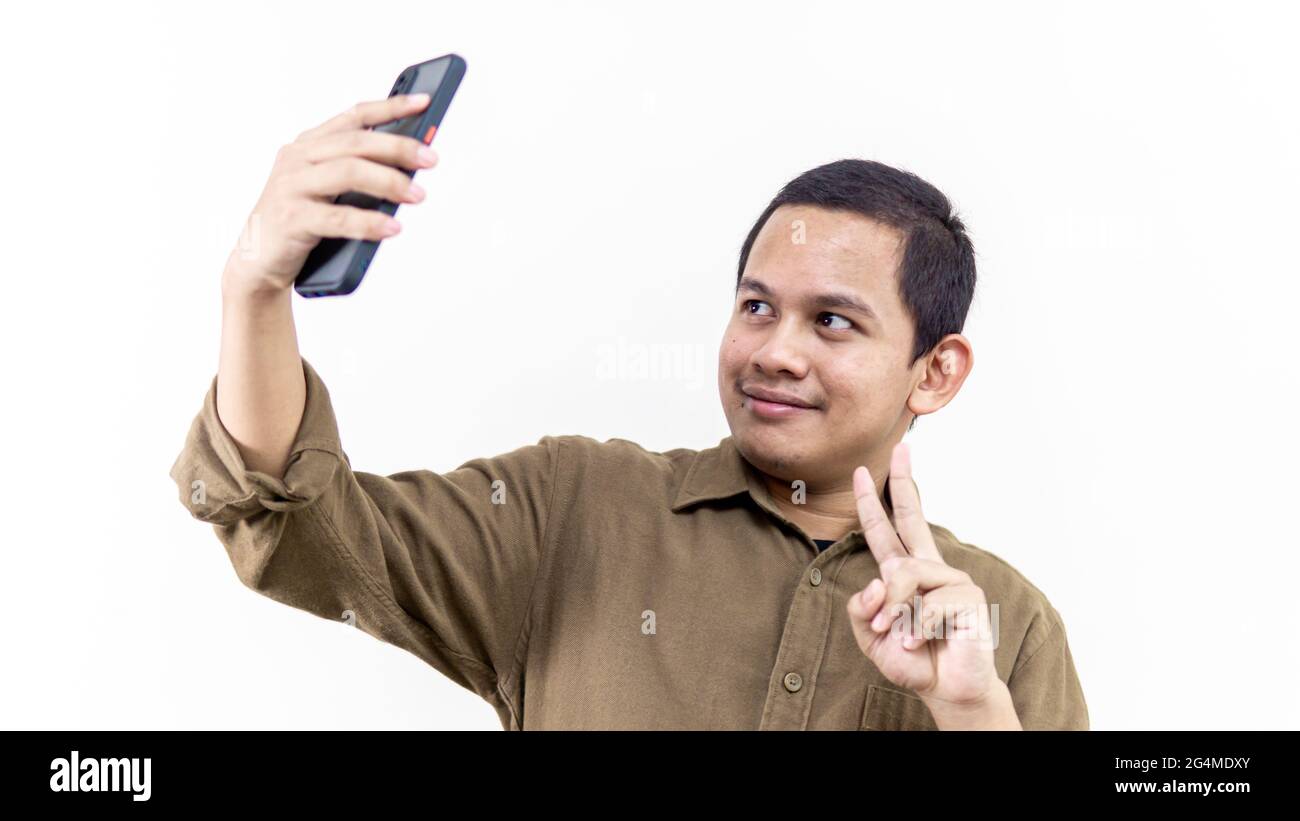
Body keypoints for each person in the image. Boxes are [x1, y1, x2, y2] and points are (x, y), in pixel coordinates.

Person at [170, 92, 1088, 730]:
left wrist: (971, 710)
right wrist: (255, 289)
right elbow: (301, 529)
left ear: (935, 372)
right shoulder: (576, 508)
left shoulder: (1003, 623)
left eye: (833, 321)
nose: (774, 348)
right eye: (757, 305)